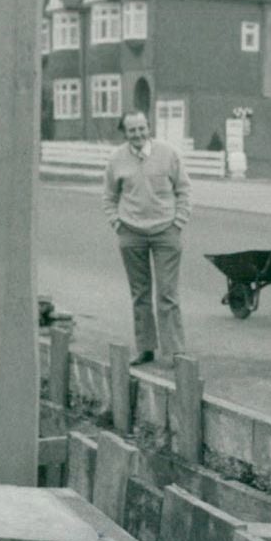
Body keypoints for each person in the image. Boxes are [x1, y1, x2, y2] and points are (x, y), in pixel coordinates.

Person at [103, 109, 191, 367]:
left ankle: (174, 350)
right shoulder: (116, 159)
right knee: (140, 294)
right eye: (132, 130)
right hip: (131, 232)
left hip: (166, 231)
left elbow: (184, 189)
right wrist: (117, 223)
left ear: (148, 127)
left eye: (141, 128)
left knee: (167, 293)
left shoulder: (169, 154)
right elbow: (109, 196)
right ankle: (145, 348)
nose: (138, 134)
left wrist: (178, 222)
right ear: (125, 132)